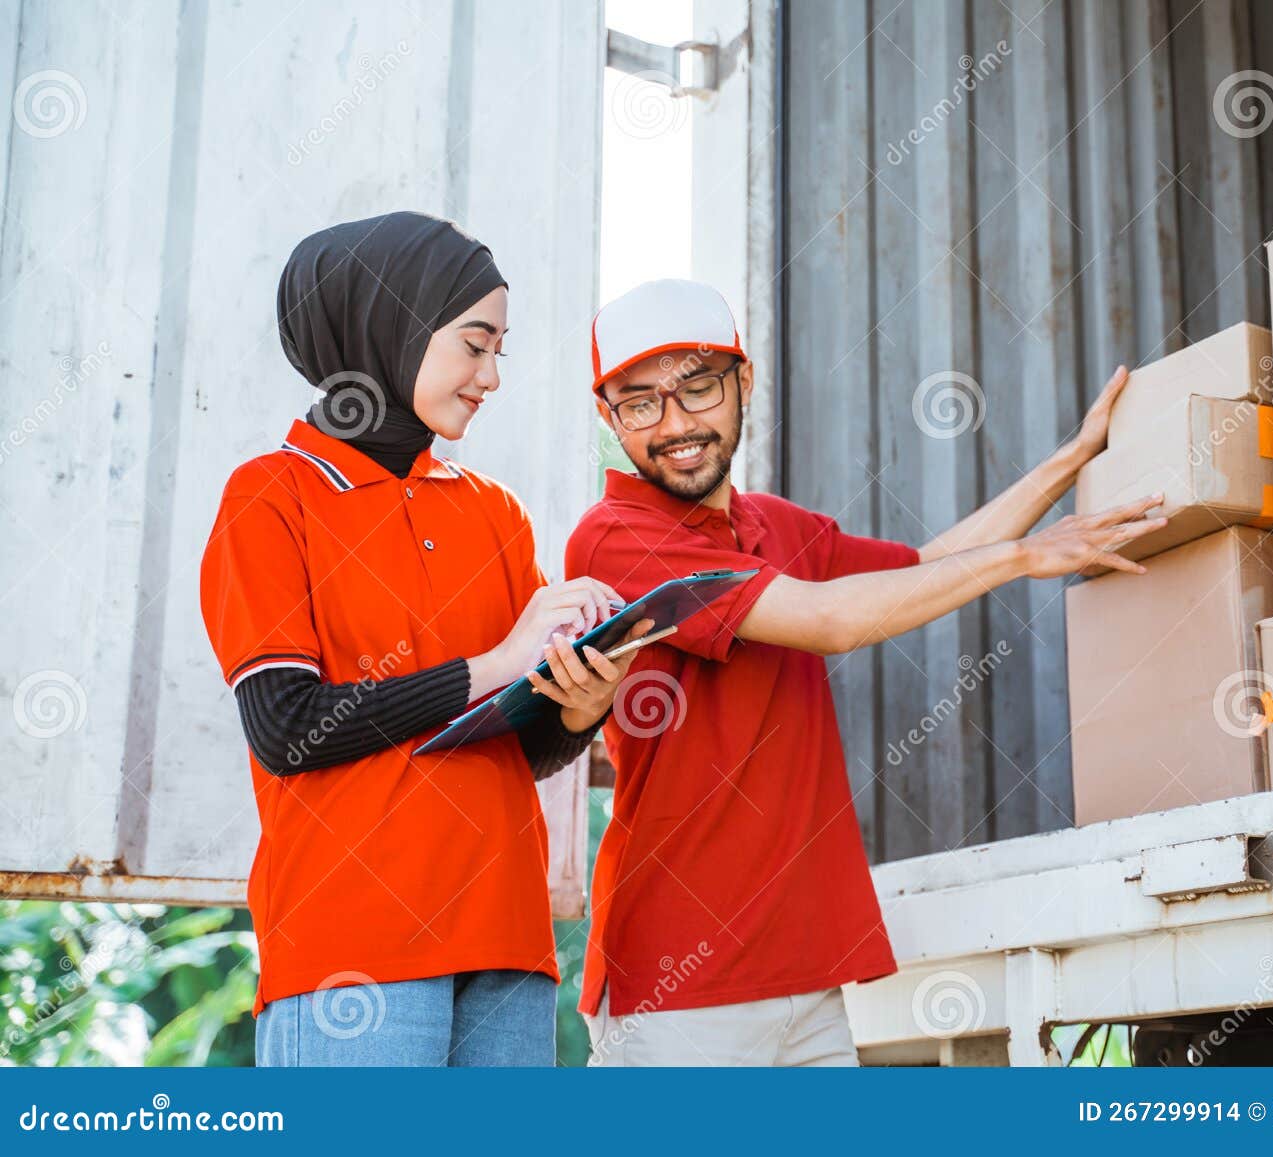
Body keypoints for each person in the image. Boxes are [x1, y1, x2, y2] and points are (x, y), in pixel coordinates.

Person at [568, 278, 1165, 1066]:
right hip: (678, 988)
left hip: (805, 974)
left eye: (699, 386)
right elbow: (832, 620)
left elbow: (927, 566)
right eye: (641, 402)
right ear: (609, 416)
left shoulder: (775, 526)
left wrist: (1071, 460)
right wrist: (1024, 557)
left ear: (744, 381)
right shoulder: (615, 537)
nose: (675, 424)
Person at [198, 212, 652, 1067]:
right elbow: (288, 728)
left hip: (507, 944)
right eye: (474, 345)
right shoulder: (271, 498)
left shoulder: (495, 512)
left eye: (500, 350)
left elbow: (520, 744)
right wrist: (497, 662)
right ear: (390, 327)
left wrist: (579, 704)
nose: (491, 376)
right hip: (353, 951)